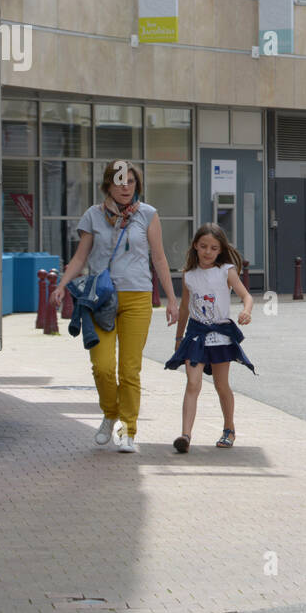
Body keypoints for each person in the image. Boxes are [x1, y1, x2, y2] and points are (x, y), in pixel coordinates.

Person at [53, 161, 180, 453]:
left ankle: (128, 430)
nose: (125, 187)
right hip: (101, 298)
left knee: (130, 370)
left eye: (131, 181)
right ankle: (110, 414)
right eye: (119, 181)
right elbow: (79, 257)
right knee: (102, 367)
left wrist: (172, 299)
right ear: (108, 184)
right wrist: (61, 285)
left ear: (137, 185)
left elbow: (159, 258)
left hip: (137, 297)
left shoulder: (148, 215)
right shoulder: (93, 216)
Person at [164, 223, 254, 453]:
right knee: (192, 383)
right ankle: (185, 435)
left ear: (220, 250)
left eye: (213, 248)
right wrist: (178, 337)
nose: (207, 252)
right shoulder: (189, 275)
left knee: (221, 385)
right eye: (203, 246)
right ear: (195, 246)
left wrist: (246, 311)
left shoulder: (227, 271)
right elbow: (185, 307)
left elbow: (246, 296)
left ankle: (229, 428)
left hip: (221, 335)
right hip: (195, 335)